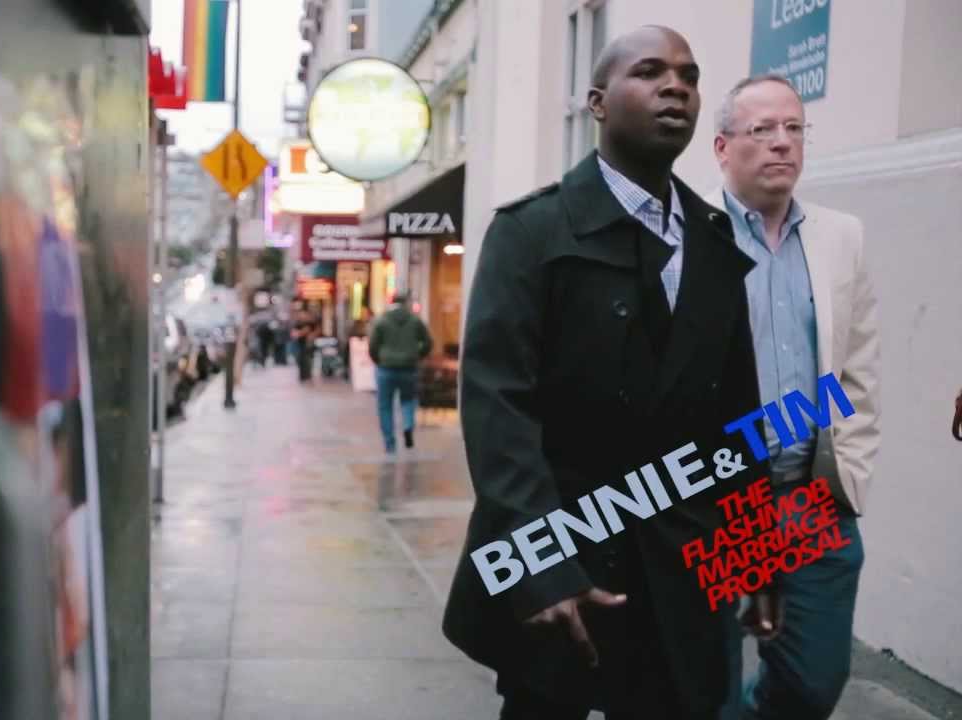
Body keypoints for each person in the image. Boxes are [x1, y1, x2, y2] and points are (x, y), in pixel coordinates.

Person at [442, 26, 778, 719]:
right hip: (564, 559)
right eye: (649, 72)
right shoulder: (531, 231)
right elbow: (498, 411)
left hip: (682, 572)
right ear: (597, 102)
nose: (675, 87)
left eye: (687, 75)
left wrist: (755, 555)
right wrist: (539, 565)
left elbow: (737, 418)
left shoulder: (716, 244)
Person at [708, 74, 880, 720]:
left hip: (811, 500)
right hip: (717, 502)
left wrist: (850, 472)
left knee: (813, 683)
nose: (782, 143)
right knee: (704, 687)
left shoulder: (841, 236)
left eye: (794, 128)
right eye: (762, 130)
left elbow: (859, 366)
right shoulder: (686, 236)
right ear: (723, 148)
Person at [367, 293, 433, 453]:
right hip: (409, 367)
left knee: (385, 406)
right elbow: (428, 342)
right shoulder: (415, 320)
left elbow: (373, 345)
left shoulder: (381, 320)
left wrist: (379, 360)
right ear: (406, 303)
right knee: (408, 400)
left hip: (386, 368)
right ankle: (408, 425)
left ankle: (390, 443)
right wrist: (418, 355)